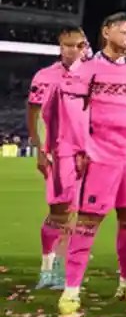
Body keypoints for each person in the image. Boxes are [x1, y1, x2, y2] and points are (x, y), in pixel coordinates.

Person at [57, 14, 126, 317]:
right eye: (123, 30)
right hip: (100, 155)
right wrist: (79, 148)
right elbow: (72, 113)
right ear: (105, 32)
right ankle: (70, 292)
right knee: (88, 221)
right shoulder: (87, 69)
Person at [27, 26, 90, 291]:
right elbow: (33, 113)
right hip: (58, 152)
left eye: (77, 45)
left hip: (86, 154)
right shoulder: (45, 76)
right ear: (59, 46)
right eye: (67, 45)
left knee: (78, 214)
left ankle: (63, 268)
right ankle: (47, 267)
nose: (72, 50)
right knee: (58, 212)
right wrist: (40, 150)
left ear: (84, 46)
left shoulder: (91, 75)